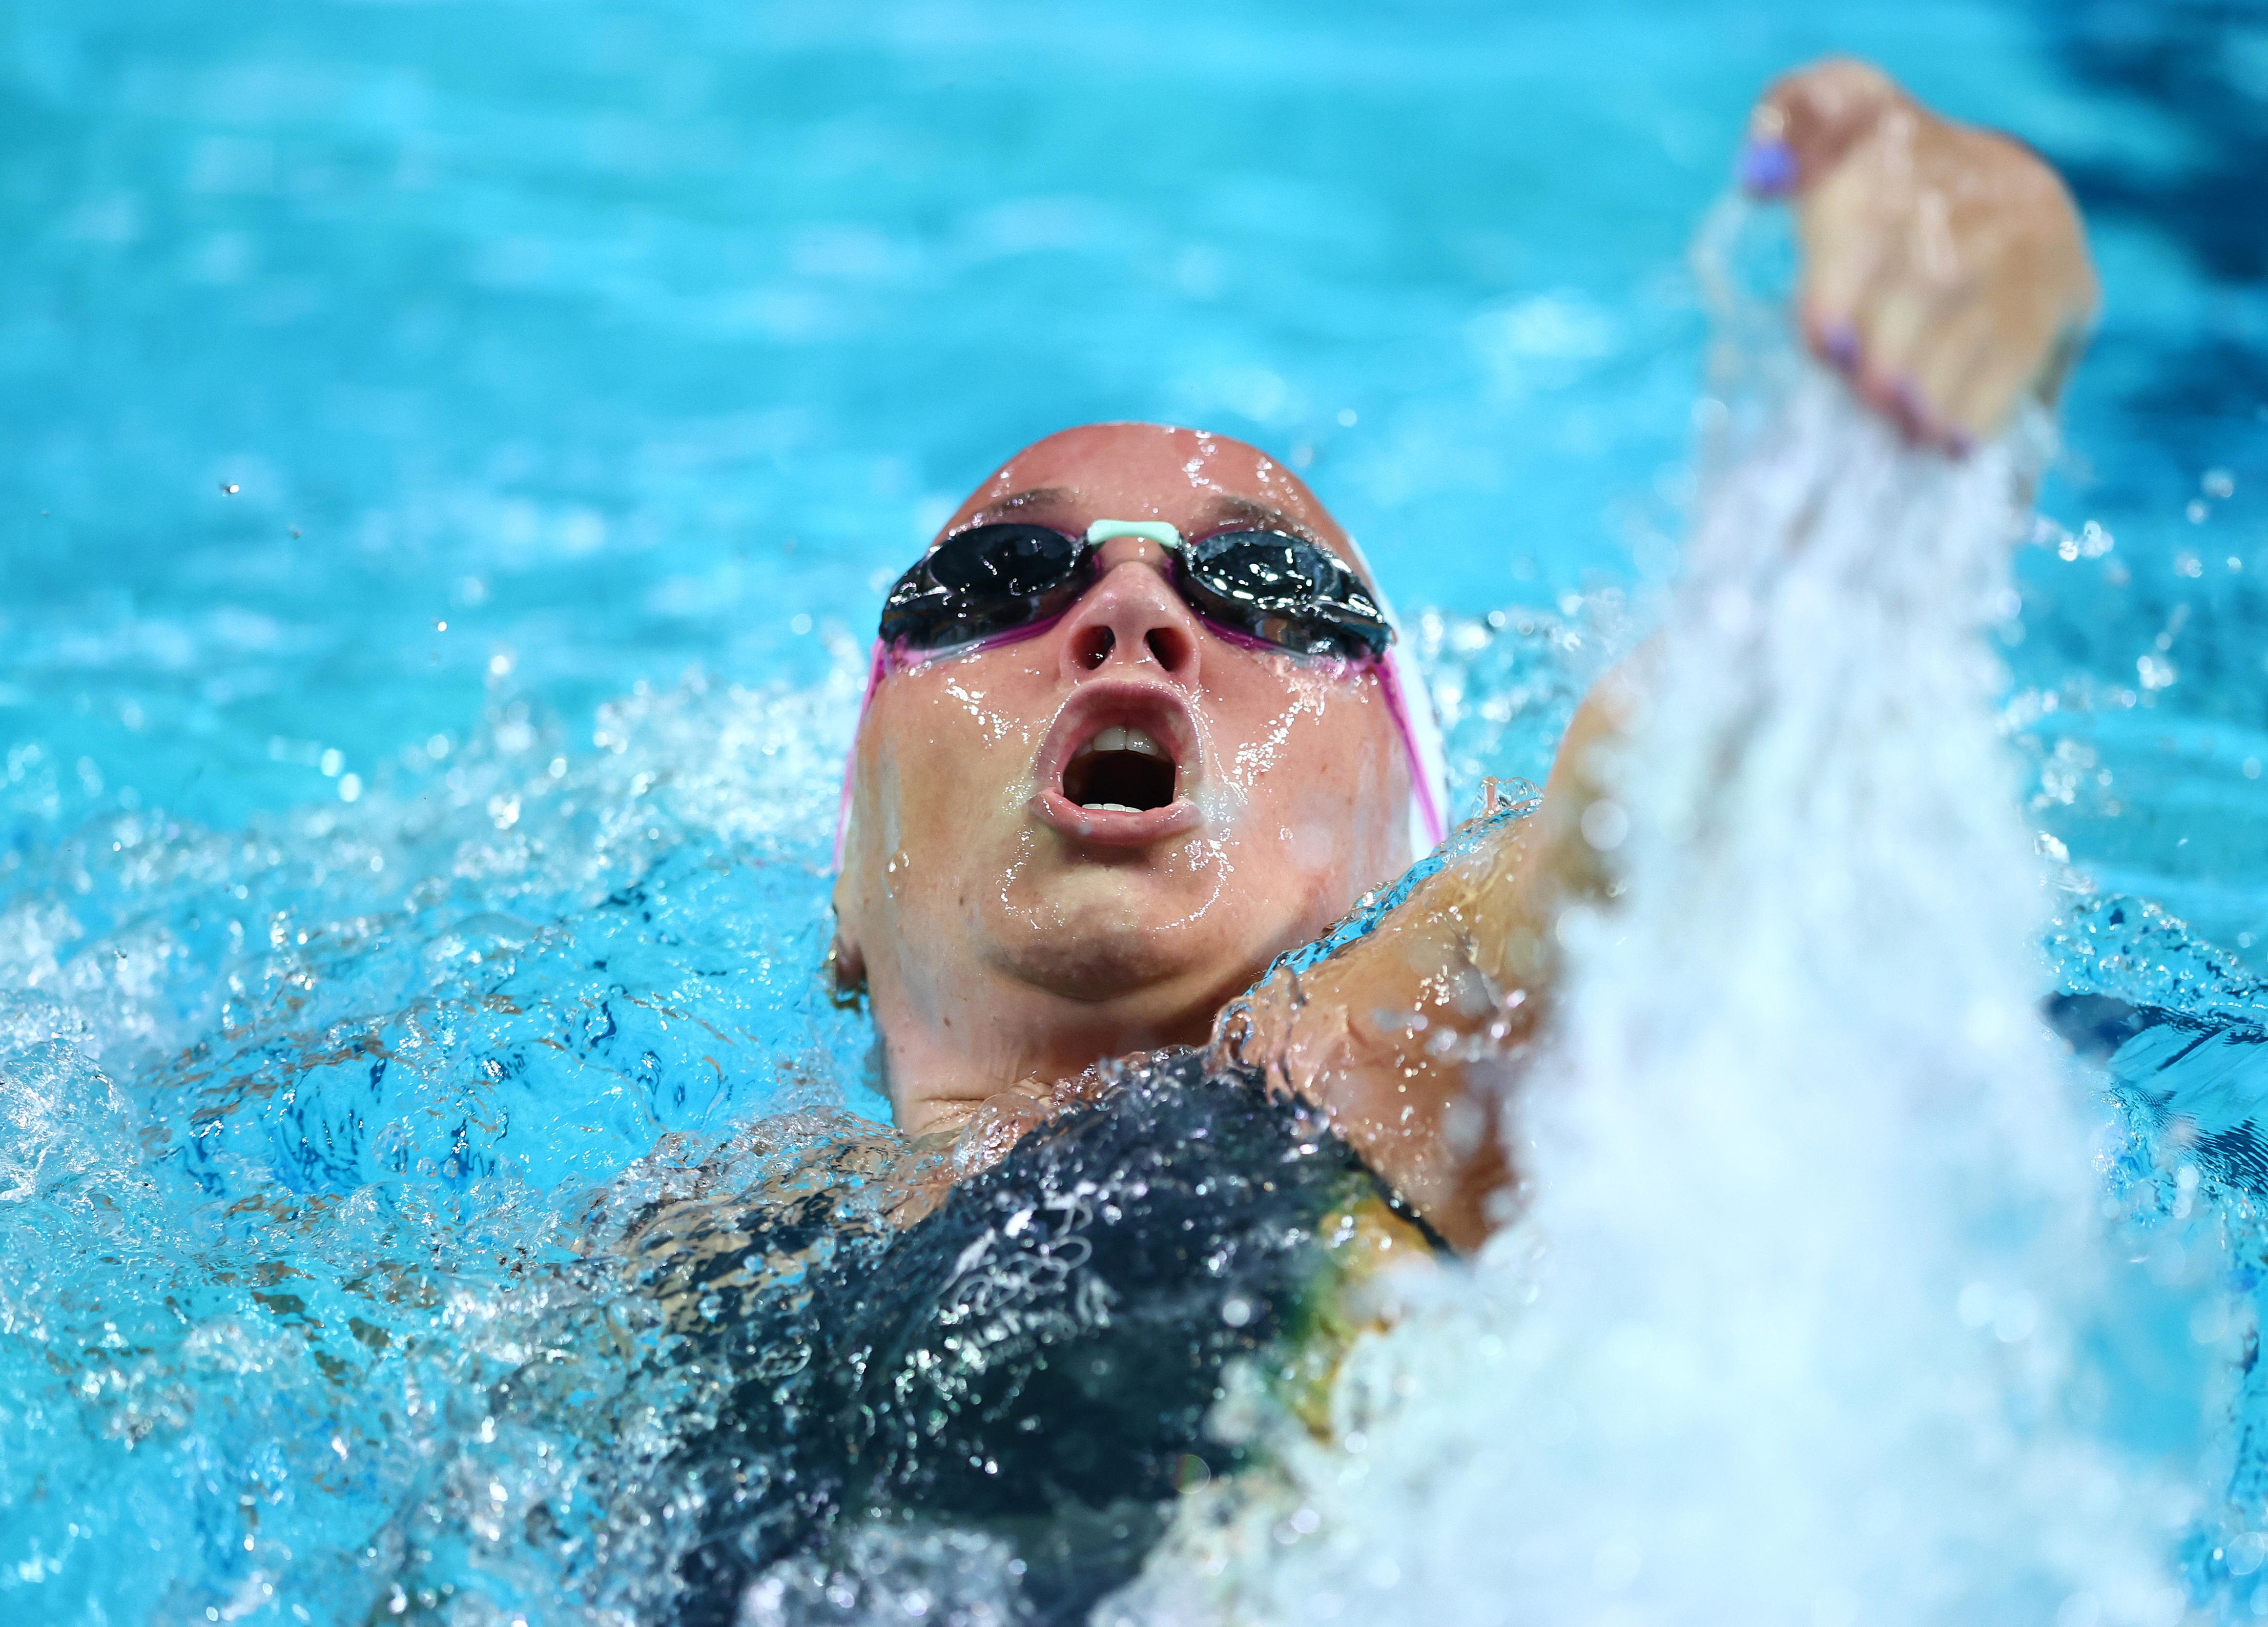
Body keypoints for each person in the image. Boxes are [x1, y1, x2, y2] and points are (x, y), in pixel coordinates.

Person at [512, 57, 2101, 1625]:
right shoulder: (676, 1254)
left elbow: (1683, 770)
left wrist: (1967, 300)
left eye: (1270, 593)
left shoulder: (1387, 1057)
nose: (1128, 616)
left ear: (1409, 840)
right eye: (1000, 579)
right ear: (845, 885)